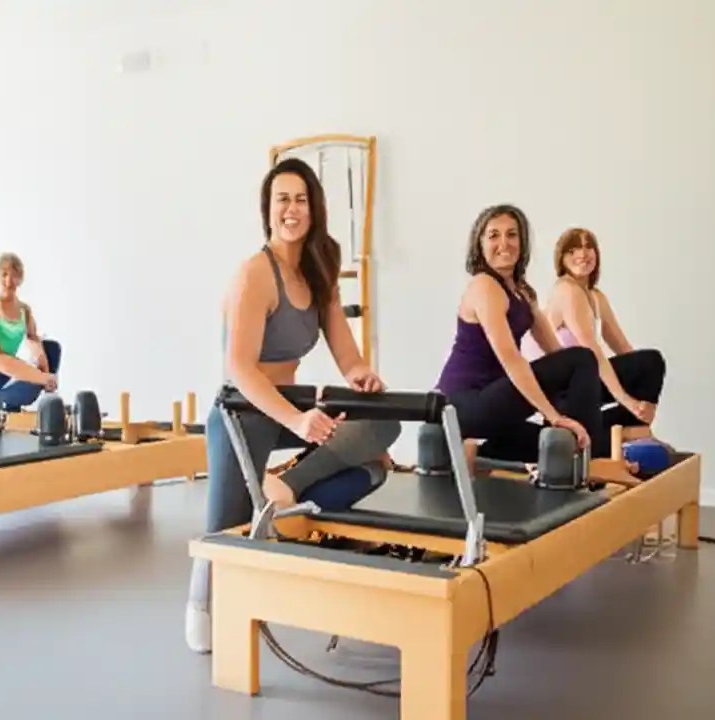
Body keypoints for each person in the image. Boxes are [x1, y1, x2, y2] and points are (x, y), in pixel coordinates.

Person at [185, 158, 401, 654]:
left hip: (292, 409)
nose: (291, 208)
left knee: (382, 437)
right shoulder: (254, 274)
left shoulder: (318, 269)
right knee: (227, 535)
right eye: (282, 199)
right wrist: (300, 422)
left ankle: (284, 488)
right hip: (243, 413)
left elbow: (347, 352)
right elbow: (240, 368)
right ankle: (200, 600)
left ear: (313, 209)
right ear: (268, 210)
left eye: (300, 199)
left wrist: (358, 375)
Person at [434, 204, 606, 464]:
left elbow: (557, 355)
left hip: (492, 399)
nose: (504, 243)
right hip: (464, 403)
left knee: (547, 444)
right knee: (582, 358)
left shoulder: (523, 291)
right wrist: (554, 416)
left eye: (512, 235)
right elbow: (512, 360)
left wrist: (572, 408)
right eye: (493, 235)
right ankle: (592, 463)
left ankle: (477, 454)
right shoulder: (485, 286)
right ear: (479, 244)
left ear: (522, 242)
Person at [523, 228, 665, 432]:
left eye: (588, 247)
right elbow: (591, 350)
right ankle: (617, 433)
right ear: (561, 259)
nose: (582, 254)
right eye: (572, 250)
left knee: (649, 363)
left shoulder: (596, 297)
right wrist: (626, 400)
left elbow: (624, 349)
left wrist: (644, 404)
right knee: (637, 370)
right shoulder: (567, 290)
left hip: (585, 383)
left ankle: (632, 430)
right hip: (563, 392)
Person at [0, 253, 61, 411]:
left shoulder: (24, 310)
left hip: (9, 370)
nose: (9, 281)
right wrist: (41, 377)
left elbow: (34, 341)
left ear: (20, 278)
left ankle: (6, 405)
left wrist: (47, 376)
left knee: (52, 348)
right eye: (4, 275)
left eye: (14, 275)